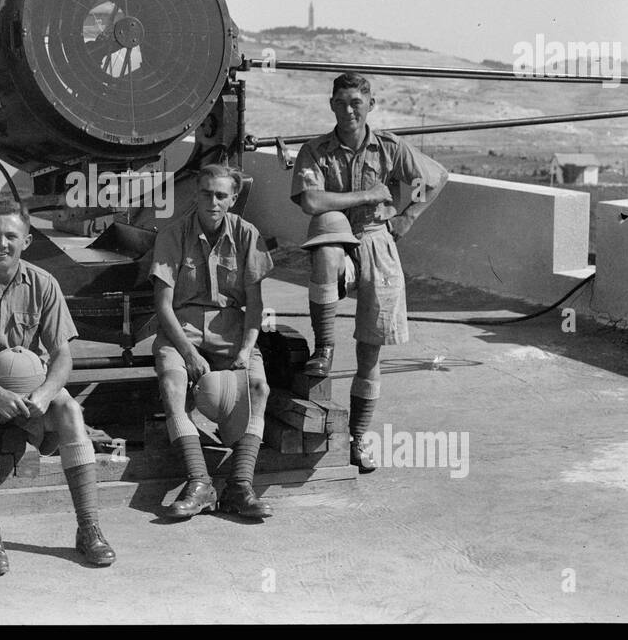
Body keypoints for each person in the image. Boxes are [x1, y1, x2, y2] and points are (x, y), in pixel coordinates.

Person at [0, 198, 116, 576]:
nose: (2, 244)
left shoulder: (44, 284)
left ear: (26, 241)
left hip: (33, 393)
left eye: (10, 236)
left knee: (70, 410)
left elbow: (63, 357)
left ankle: (89, 529)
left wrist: (44, 395)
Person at [290, 72, 448, 471]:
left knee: (370, 353)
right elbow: (311, 201)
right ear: (331, 105)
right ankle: (324, 347)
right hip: (337, 233)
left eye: (356, 103)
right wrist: (369, 194)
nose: (348, 111)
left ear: (370, 105)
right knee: (325, 252)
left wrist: (409, 216)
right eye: (341, 103)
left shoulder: (390, 148)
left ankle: (359, 438)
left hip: (378, 239)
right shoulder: (316, 151)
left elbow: (434, 177)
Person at [148, 164, 274, 519]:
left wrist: (247, 351)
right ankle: (199, 482)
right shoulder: (173, 235)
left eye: (221, 195)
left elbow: (255, 305)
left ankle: (239, 487)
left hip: (232, 330)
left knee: (259, 386)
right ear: (195, 194)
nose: (213, 202)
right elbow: (163, 305)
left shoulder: (247, 235)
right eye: (206, 193)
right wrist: (187, 353)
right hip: (181, 330)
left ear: (233, 199)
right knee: (172, 384)